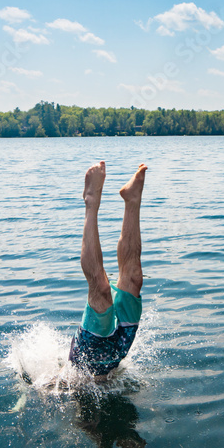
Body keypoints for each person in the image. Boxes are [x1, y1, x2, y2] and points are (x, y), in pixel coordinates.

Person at [69, 161, 147, 377]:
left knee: (110, 289)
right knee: (130, 280)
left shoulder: (74, 381)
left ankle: (127, 199)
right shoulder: (68, 386)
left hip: (90, 360)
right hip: (113, 354)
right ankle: (95, 200)